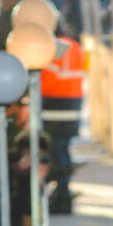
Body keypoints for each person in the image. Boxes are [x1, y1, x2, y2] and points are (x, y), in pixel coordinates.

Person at [40, 24, 85, 215]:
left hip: (53, 104)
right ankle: (63, 194)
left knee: (57, 152)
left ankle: (62, 195)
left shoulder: (52, 49)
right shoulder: (75, 46)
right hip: (73, 103)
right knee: (63, 151)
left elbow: (45, 76)